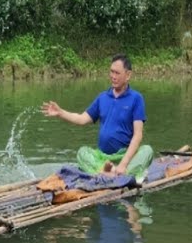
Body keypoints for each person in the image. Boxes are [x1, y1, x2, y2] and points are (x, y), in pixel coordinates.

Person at [41, 53, 155, 183]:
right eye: (111, 72)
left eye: (117, 73)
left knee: (147, 151)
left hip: (125, 155)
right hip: (103, 158)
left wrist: (123, 163)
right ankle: (107, 172)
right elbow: (82, 119)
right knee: (82, 152)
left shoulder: (136, 98)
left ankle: (120, 172)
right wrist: (61, 112)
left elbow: (138, 135)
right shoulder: (103, 98)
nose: (113, 76)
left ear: (128, 75)